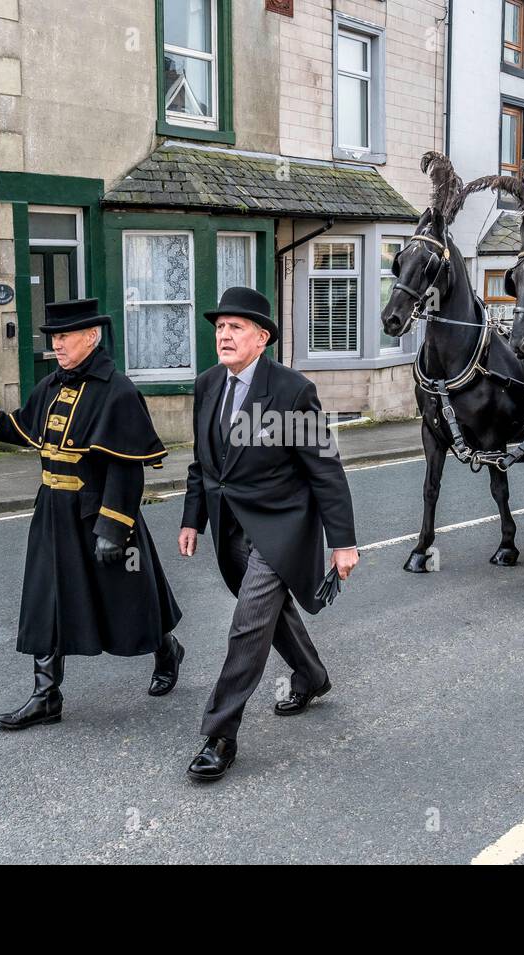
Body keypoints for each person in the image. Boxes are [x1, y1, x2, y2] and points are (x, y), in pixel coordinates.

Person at [0, 298, 184, 730]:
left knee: (127, 596)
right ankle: (45, 696)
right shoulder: (52, 385)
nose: (56, 344)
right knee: (46, 597)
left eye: (64, 336)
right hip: (52, 512)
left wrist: (113, 525)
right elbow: (20, 427)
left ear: (91, 337)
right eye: (52, 337)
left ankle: (166, 649)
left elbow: (126, 466)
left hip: (98, 512)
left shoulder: (119, 391)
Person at [178, 286, 359, 782]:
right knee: (272, 616)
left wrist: (342, 542)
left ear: (262, 338)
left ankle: (220, 734)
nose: (224, 335)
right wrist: (193, 518)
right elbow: (204, 464)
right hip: (231, 528)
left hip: (281, 529)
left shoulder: (291, 391)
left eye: (236, 328)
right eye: (220, 327)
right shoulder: (207, 384)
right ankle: (313, 676)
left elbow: (326, 469)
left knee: (248, 625)